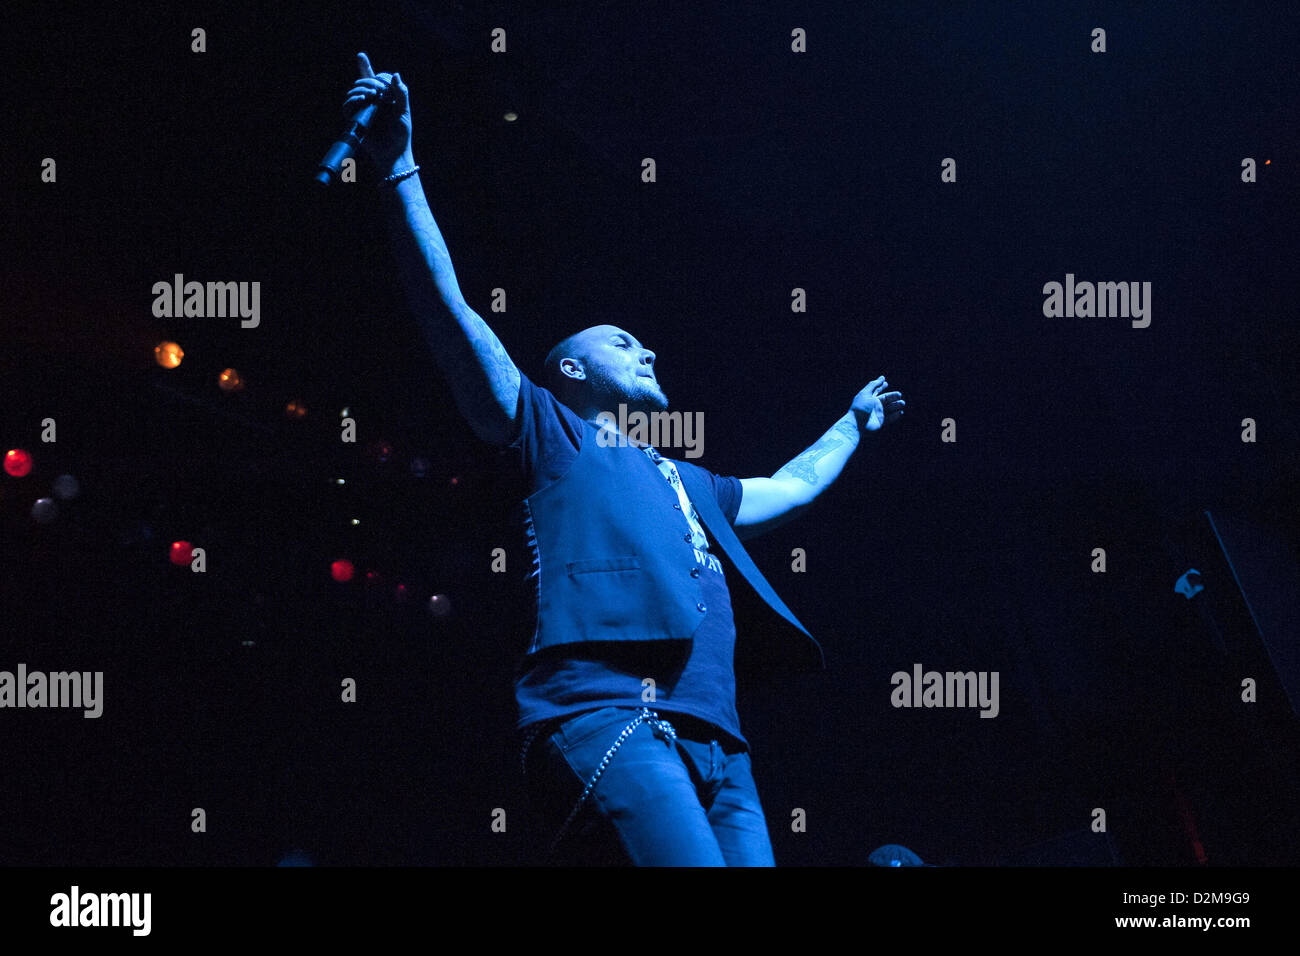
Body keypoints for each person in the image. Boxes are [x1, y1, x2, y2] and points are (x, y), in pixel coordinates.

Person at [343, 52, 905, 865]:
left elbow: (792, 485)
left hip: (721, 742)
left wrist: (851, 425)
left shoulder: (691, 481)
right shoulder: (549, 430)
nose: (645, 351)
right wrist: (399, 170)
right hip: (608, 714)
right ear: (570, 370)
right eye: (621, 342)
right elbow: (451, 313)